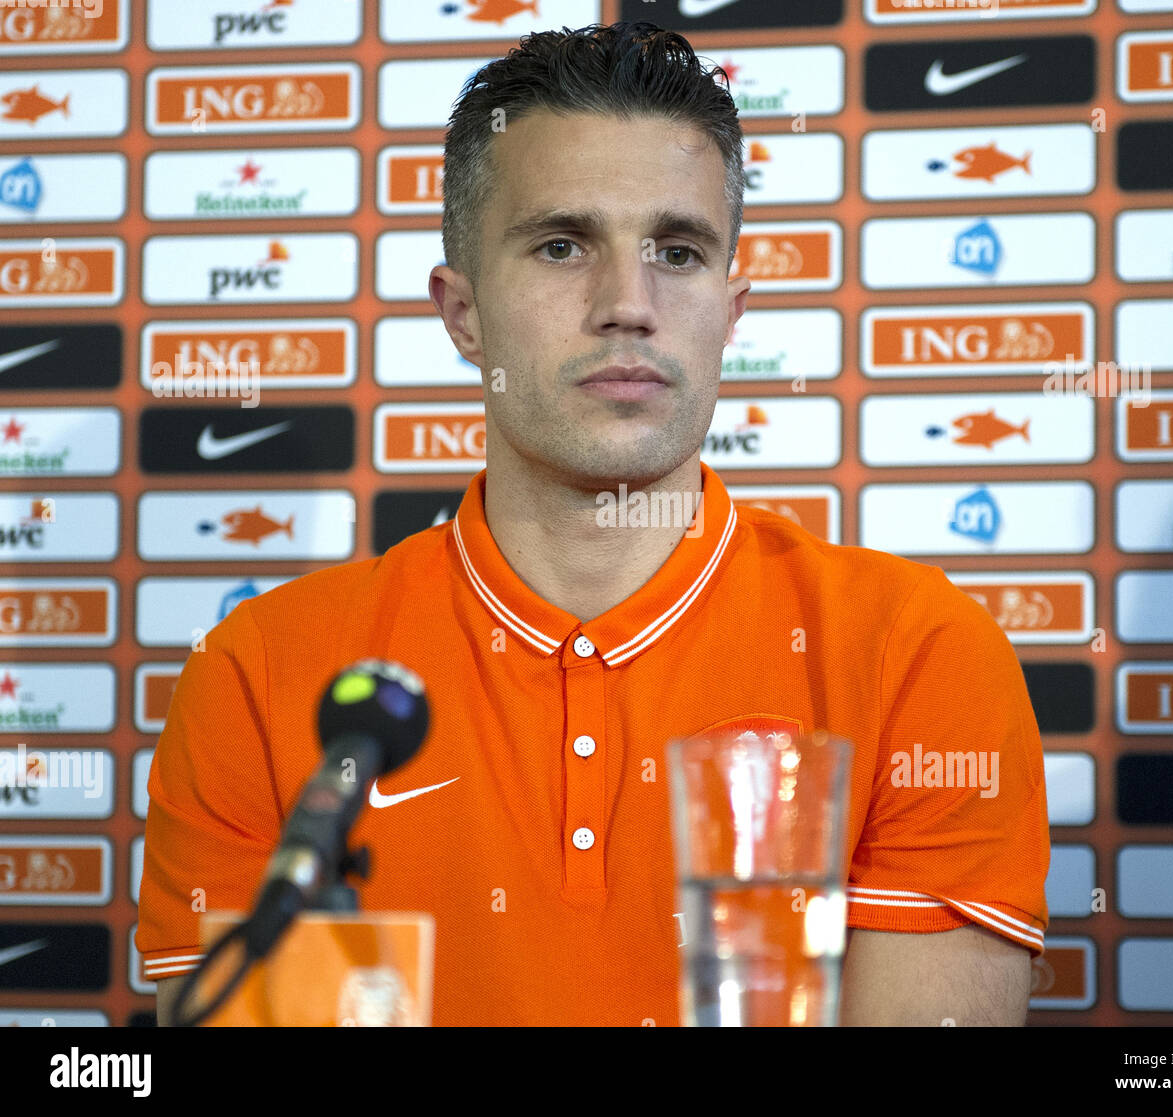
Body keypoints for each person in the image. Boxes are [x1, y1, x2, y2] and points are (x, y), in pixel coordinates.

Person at [138, 21, 1049, 1027]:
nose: (628, 302)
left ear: (730, 306)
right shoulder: (260, 676)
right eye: (563, 244)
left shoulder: (916, 652)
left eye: (678, 249)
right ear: (462, 310)